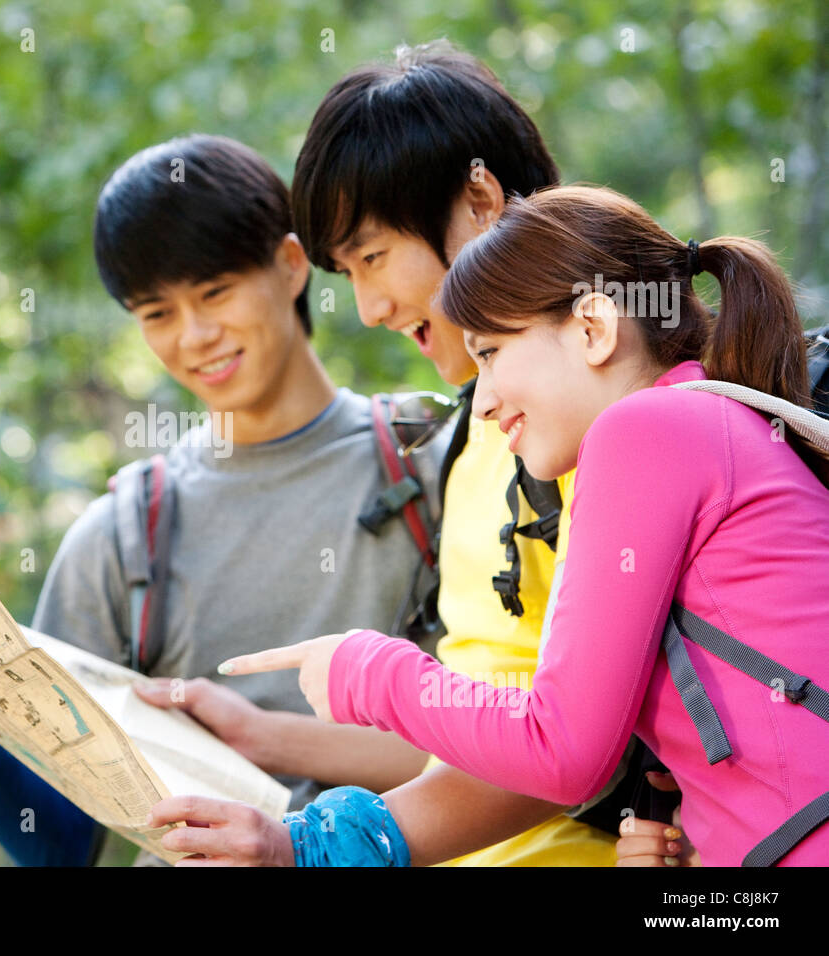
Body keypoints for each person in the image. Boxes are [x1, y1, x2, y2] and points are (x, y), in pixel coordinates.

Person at [0, 133, 437, 866]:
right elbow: (61, 846)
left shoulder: (436, 460)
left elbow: (532, 747)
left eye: (215, 293)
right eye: (157, 313)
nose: (195, 336)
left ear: (291, 265)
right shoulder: (125, 537)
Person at [225, 185, 829, 866]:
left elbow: (562, 749)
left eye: (489, 352)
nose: (481, 403)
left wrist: (369, 672)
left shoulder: (648, 430)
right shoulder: (701, 425)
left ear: (594, 329)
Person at [149, 41, 626, 866]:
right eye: (348, 272)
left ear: (479, 198)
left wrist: (307, 847)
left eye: (373, 257)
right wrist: (265, 737)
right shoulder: (476, 428)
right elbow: (470, 739)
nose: (368, 307)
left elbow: (566, 750)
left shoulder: (595, 411)